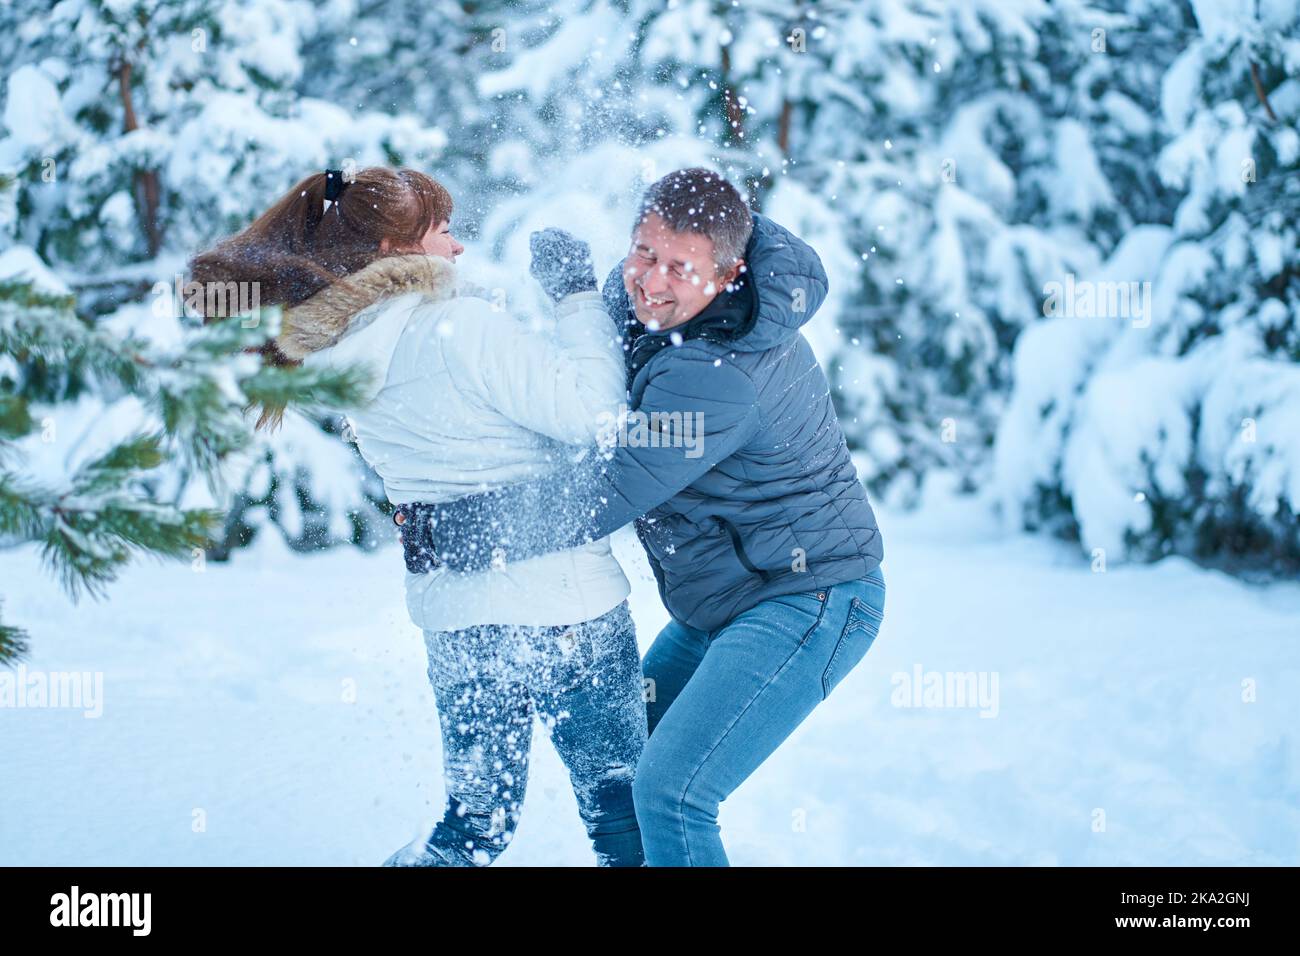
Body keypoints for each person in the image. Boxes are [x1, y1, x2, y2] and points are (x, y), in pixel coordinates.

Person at [395, 167, 887, 866]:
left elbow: (607, 489)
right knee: (628, 779)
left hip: (808, 601)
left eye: (679, 268)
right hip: (719, 607)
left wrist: (457, 532)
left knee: (670, 794)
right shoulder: (654, 311)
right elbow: (579, 395)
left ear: (728, 272)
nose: (650, 282)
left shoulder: (720, 376)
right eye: (643, 253)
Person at [188, 166, 647, 866]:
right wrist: (578, 300)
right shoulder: (459, 325)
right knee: (623, 812)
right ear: (392, 252)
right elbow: (594, 417)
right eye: (442, 231)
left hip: (456, 619)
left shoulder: (337, 356)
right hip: (567, 607)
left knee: (474, 826)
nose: (457, 248)